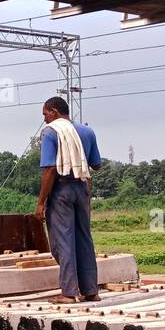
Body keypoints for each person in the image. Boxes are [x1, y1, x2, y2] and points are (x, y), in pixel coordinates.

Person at [34, 95, 103, 303]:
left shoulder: (50, 133)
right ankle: (91, 291)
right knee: (84, 238)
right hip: (81, 189)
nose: (44, 119)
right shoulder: (87, 131)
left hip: (61, 190)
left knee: (63, 241)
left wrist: (41, 202)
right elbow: (96, 165)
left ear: (54, 112)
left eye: (45, 114)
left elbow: (49, 169)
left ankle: (68, 292)